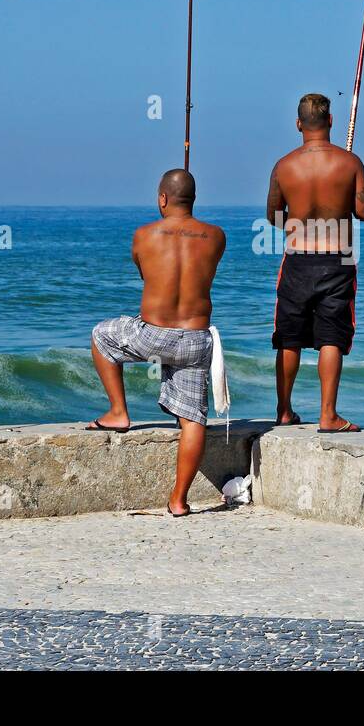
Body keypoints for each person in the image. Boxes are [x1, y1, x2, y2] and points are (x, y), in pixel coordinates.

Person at [89, 169, 226, 517]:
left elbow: (146, 273)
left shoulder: (143, 235)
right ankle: (179, 500)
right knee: (194, 420)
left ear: (162, 199)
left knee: (102, 336)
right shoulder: (216, 236)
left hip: (154, 335)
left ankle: (119, 412)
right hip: (196, 340)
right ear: (193, 199)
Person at [265, 93, 364, 432]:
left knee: (289, 337)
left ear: (298, 124)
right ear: (330, 122)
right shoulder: (350, 162)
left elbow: (273, 216)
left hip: (297, 258)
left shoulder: (284, 166)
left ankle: (284, 410)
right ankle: (328, 415)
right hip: (337, 259)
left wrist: (298, 221)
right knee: (331, 336)